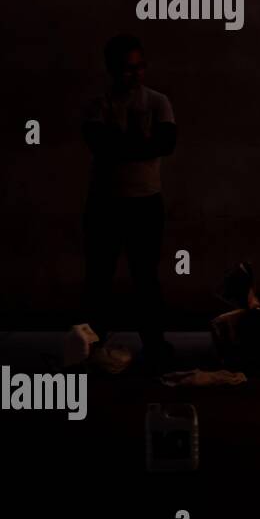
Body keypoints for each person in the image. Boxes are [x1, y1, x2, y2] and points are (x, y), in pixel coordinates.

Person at [81, 35, 177, 373]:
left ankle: (153, 343)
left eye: (139, 67)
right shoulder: (99, 104)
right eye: (126, 69)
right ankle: (93, 345)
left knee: (145, 278)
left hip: (144, 203)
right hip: (106, 204)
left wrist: (125, 144)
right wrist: (141, 143)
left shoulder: (158, 101)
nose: (135, 75)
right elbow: (102, 145)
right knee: (99, 278)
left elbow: (166, 144)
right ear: (112, 70)